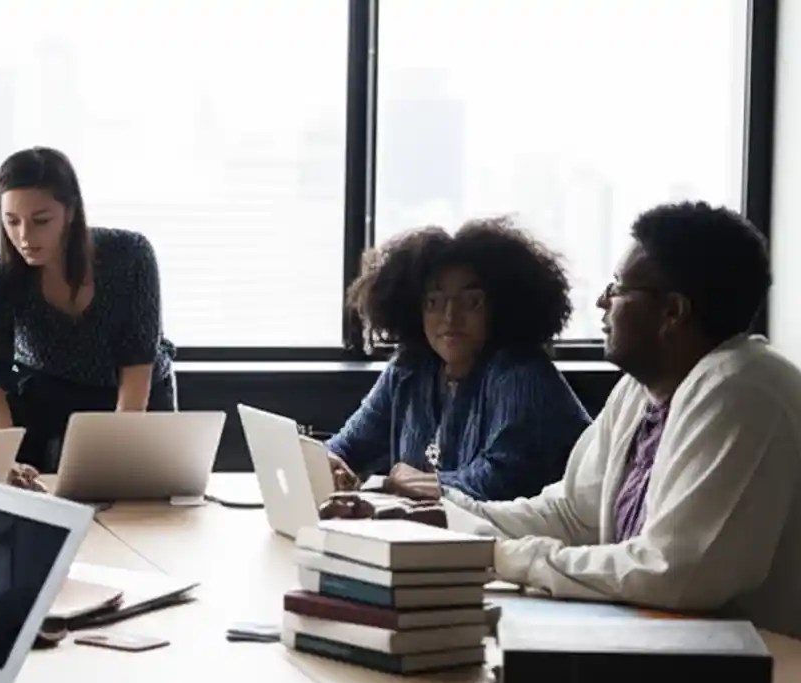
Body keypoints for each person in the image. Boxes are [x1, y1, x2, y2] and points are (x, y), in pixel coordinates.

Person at [443, 202, 801, 639]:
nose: (602, 302)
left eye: (617, 288)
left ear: (672, 312)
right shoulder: (641, 390)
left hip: (766, 662)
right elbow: (573, 515)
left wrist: (505, 557)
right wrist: (442, 509)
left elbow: (673, 572)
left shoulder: (740, 388)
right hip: (671, 646)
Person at [325, 218, 590, 502]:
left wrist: (422, 484)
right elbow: (347, 446)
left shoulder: (522, 373)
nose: (450, 316)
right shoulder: (408, 369)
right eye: (434, 302)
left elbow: (502, 482)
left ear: (500, 306)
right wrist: (331, 463)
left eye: (471, 301)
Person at [0, 147, 177, 477]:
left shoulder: (131, 256)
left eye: (41, 221)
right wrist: (4, 458)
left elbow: (138, 357)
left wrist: (120, 447)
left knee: (138, 492)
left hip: (138, 398)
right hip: (50, 403)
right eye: (12, 221)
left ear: (70, 211)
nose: (24, 236)